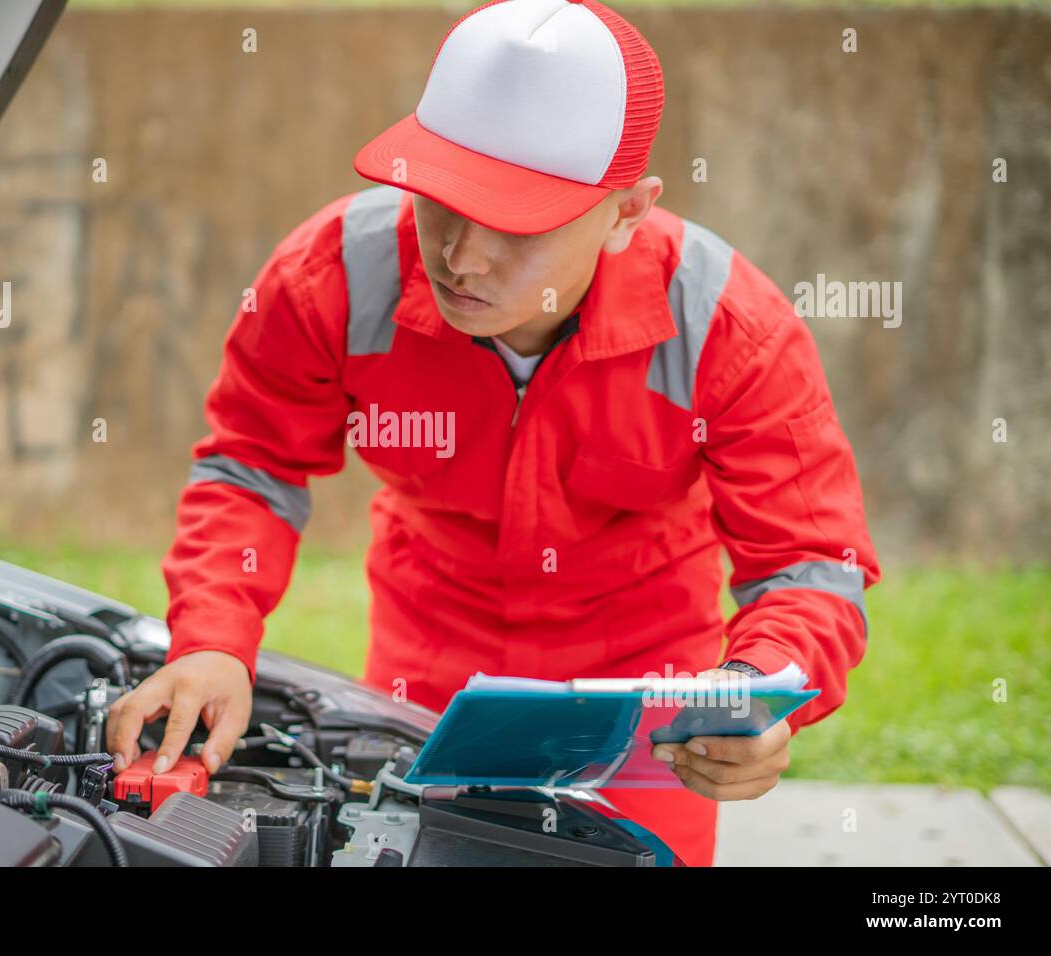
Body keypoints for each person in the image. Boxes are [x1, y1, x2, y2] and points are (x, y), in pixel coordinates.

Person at [107, 0, 880, 866]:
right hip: (426, 668)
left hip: (647, 708)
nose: (462, 258)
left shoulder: (729, 326)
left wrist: (747, 696)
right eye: (440, 201)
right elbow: (252, 468)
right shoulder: (332, 274)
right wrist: (214, 639)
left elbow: (808, 564)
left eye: (517, 223)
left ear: (627, 212)